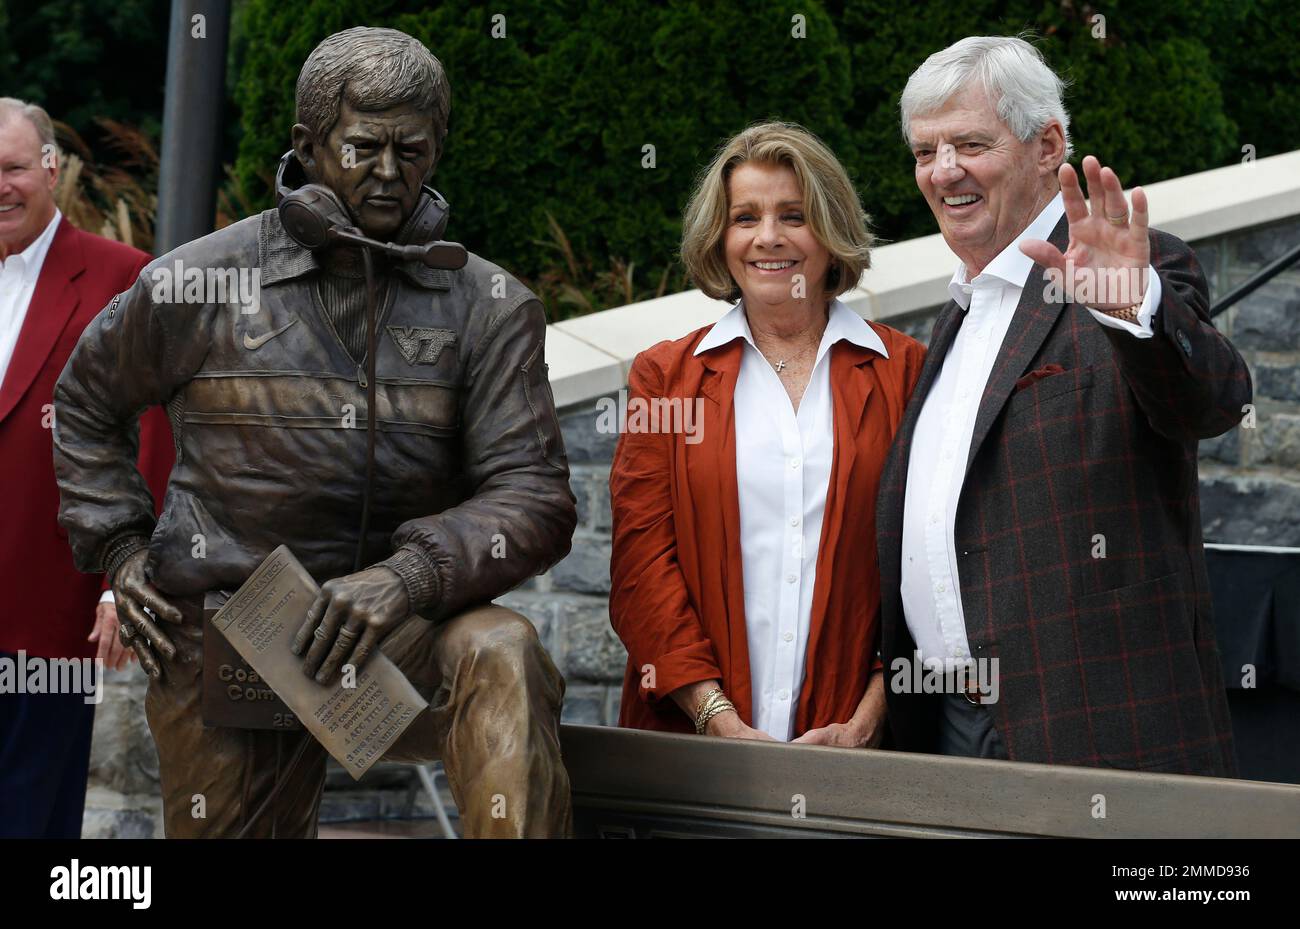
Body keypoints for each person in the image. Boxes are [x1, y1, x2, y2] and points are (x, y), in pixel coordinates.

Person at [52, 27, 577, 837]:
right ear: (309, 142)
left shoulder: (490, 305)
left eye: (415, 149)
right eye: (365, 147)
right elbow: (85, 406)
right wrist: (121, 546)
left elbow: (535, 492)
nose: (391, 174)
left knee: (501, 650)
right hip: (233, 620)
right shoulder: (200, 282)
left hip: (405, 623)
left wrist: (407, 576)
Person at [877, 36, 1248, 775]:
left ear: (1048, 144)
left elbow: (1211, 401)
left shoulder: (1131, 272)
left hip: (1097, 730)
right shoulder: (953, 320)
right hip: (943, 725)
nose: (943, 170)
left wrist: (1133, 307)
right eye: (926, 151)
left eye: (970, 144)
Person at [610, 122, 925, 744]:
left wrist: (866, 723)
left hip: (858, 749)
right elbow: (641, 569)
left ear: (831, 233)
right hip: (690, 742)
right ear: (720, 238)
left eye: (794, 215)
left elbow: (932, 567)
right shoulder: (665, 378)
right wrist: (716, 719)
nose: (769, 238)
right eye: (745, 217)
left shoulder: (906, 373)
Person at [0, 97, 173, 837]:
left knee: (33, 809)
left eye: (11, 168)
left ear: (50, 169)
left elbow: (155, 435)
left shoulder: (121, 276)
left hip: (49, 600)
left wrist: (123, 580)